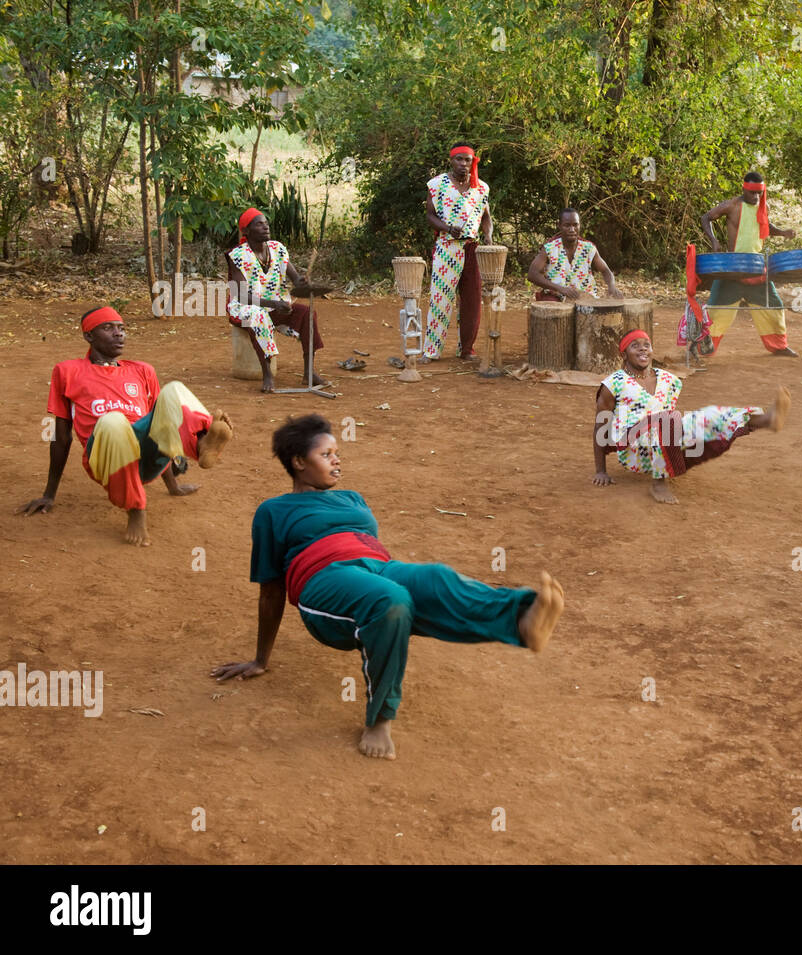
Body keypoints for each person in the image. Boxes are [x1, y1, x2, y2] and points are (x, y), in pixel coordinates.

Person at [212, 414, 565, 761]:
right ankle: (380, 718)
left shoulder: (352, 498)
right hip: (322, 579)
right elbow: (271, 589)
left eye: (337, 452)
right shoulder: (273, 511)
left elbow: (370, 546)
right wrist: (261, 659)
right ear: (299, 462)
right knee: (390, 600)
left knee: (434, 578)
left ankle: (521, 620)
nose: (337, 460)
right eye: (326, 454)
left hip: (375, 567)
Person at [16, 306, 233, 546]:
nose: (119, 334)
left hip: (146, 458)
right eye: (108, 328)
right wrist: (49, 494)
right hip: (105, 459)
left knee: (174, 391)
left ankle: (202, 442)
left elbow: (162, 423)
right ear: (89, 336)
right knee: (113, 420)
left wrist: (174, 486)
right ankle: (136, 509)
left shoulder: (142, 370)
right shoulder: (68, 371)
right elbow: (62, 436)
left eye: (121, 328)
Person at [592, 330, 790, 504]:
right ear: (624, 354)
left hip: (660, 436)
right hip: (632, 447)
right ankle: (658, 483)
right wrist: (601, 470)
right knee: (667, 420)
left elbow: (673, 420)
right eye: (635, 346)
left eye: (647, 345)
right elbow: (601, 428)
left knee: (706, 416)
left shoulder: (668, 380)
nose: (643, 349)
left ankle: (766, 420)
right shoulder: (614, 384)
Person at [226, 208, 326, 393]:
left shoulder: (277, 249)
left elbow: (295, 278)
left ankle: (308, 372)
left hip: (275, 305)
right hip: (245, 307)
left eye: (266, 223)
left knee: (307, 314)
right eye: (259, 224)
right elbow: (241, 296)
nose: (266, 227)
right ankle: (267, 375)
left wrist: (302, 282)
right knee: (258, 316)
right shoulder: (238, 255)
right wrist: (274, 304)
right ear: (246, 231)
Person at [699, 172, 798, 356]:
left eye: (759, 193)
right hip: (732, 269)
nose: (756, 197)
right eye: (752, 193)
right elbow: (706, 217)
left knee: (774, 306)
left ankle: (779, 346)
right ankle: (703, 348)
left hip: (756, 268)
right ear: (744, 189)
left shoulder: (763, 206)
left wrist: (783, 232)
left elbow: (767, 226)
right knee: (716, 311)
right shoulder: (732, 205)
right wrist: (713, 240)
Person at [424, 142, 492, 360]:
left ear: (473, 162)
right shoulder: (437, 185)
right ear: (451, 160)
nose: (463, 164)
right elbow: (430, 215)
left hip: (472, 248)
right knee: (440, 300)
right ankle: (432, 351)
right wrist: (447, 228)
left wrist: (488, 236)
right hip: (447, 247)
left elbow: (487, 217)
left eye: (467, 160)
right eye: (459, 159)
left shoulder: (481, 187)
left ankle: (466, 349)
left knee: (472, 301)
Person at [527, 209, 621, 301]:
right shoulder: (550, 248)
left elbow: (605, 270)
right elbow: (532, 274)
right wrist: (560, 288)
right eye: (567, 225)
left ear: (580, 225)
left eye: (575, 225)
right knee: (550, 305)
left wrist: (612, 286)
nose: (572, 229)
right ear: (559, 226)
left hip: (585, 296)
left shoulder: (589, 248)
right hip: (556, 295)